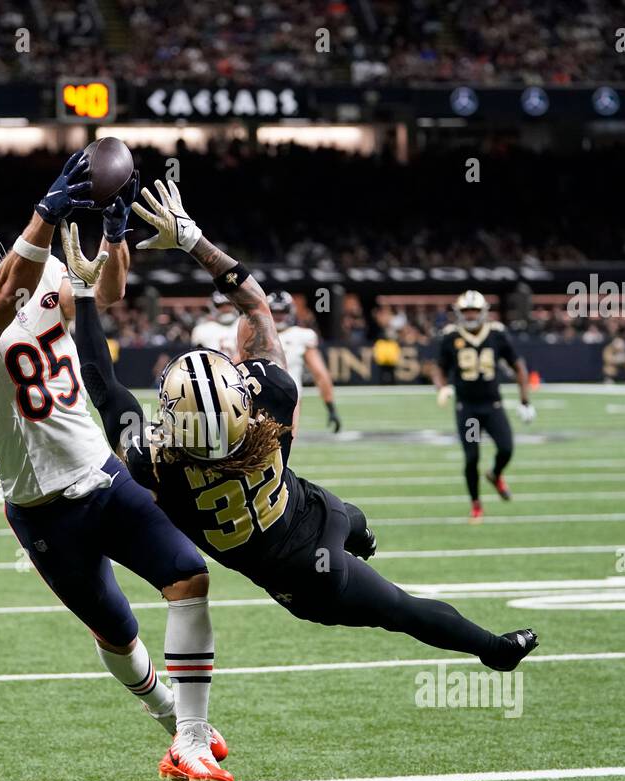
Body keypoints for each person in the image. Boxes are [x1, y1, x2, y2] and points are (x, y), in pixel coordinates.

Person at [66, 178, 538, 688]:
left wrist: (85, 294)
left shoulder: (155, 463)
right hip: (311, 553)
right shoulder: (271, 399)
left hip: (298, 546)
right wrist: (192, 239)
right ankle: (495, 651)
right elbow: (255, 306)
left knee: (375, 563)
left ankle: (370, 542)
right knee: (397, 601)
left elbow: (101, 382)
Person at [0, 152, 231, 781]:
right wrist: (44, 216)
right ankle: (167, 714)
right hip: (42, 509)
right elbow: (0, 307)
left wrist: (112, 234)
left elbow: (106, 295)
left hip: (100, 473)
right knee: (116, 631)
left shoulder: (40, 267)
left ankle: (191, 740)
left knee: (188, 575)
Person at [430, 290, 535, 524]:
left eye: (474, 310)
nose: (470, 315)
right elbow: (438, 368)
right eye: (466, 310)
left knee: (506, 449)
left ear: (483, 311)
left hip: (492, 406)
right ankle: (476, 503)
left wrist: (525, 400)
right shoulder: (451, 336)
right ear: (459, 312)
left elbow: (518, 366)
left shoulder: (496, 334)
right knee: (472, 457)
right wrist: (442, 388)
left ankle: (495, 474)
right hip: (469, 410)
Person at [269, 290, 341, 434]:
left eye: (282, 311)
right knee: (282, 445)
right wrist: (331, 408)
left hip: (269, 396)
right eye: (275, 312)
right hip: (284, 397)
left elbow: (320, 374)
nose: (278, 316)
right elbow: (320, 374)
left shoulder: (301, 336)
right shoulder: (254, 333)